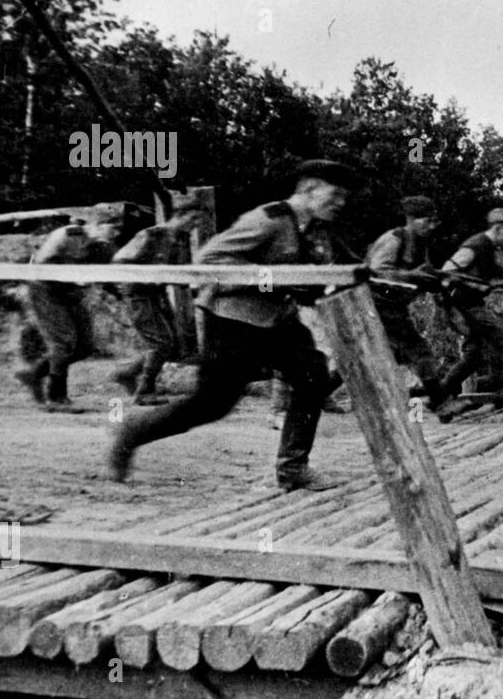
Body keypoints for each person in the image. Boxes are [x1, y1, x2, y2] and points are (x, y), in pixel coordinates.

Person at [108, 160, 353, 490]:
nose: (341, 203)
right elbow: (210, 259)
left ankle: (292, 468)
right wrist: (273, 283)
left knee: (313, 375)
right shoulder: (269, 218)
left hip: (277, 320)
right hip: (232, 320)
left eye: (343, 197)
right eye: (334, 194)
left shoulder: (313, 230)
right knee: (211, 404)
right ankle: (131, 433)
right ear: (309, 189)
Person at [15, 208, 124, 411]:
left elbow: (111, 272)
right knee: (64, 344)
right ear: (88, 225)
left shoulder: (104, 247)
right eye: (104, 225)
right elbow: (43, 264)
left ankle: (34, 375)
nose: (111, 231)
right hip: (46, 289)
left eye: (115, 226)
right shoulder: (66, 235)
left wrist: (119, 293)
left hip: (71, 293)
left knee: (85, 346)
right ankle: (56, 397)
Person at [365, 195, 462, 421]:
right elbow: (376, 274)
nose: (431, 226)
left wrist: (441, 280)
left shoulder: (420, 244)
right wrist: (413, 276)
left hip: (394, 308)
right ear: (410, 219)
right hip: (376, 304)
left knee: (370, 354)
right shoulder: (394, 239)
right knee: (419, 351)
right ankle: (440, 403)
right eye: (426, 221)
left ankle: (318, 393)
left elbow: (420, 275)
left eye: (433, 222)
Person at [109, 193, 205, 405]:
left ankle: (127, 373)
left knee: (170, 344)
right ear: (180, 215)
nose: (196, 224)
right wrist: (131, 288)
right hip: (138, 294)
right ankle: (144, 390)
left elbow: (180, 273)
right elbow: (120, 261)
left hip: (157, 294)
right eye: (193, 218)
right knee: (161, 343)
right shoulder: (152, 235)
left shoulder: (180, 239)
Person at [438, 207, 503, 397]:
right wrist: (475, 286)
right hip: (460, 304)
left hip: (473, 303)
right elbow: (446, 273)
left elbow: (499, 279)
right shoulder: (475, 246)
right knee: (499, 332)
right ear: (498, 228)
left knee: (476, 354)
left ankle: (442, 392)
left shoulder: (495, 251)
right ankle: (501, 385)